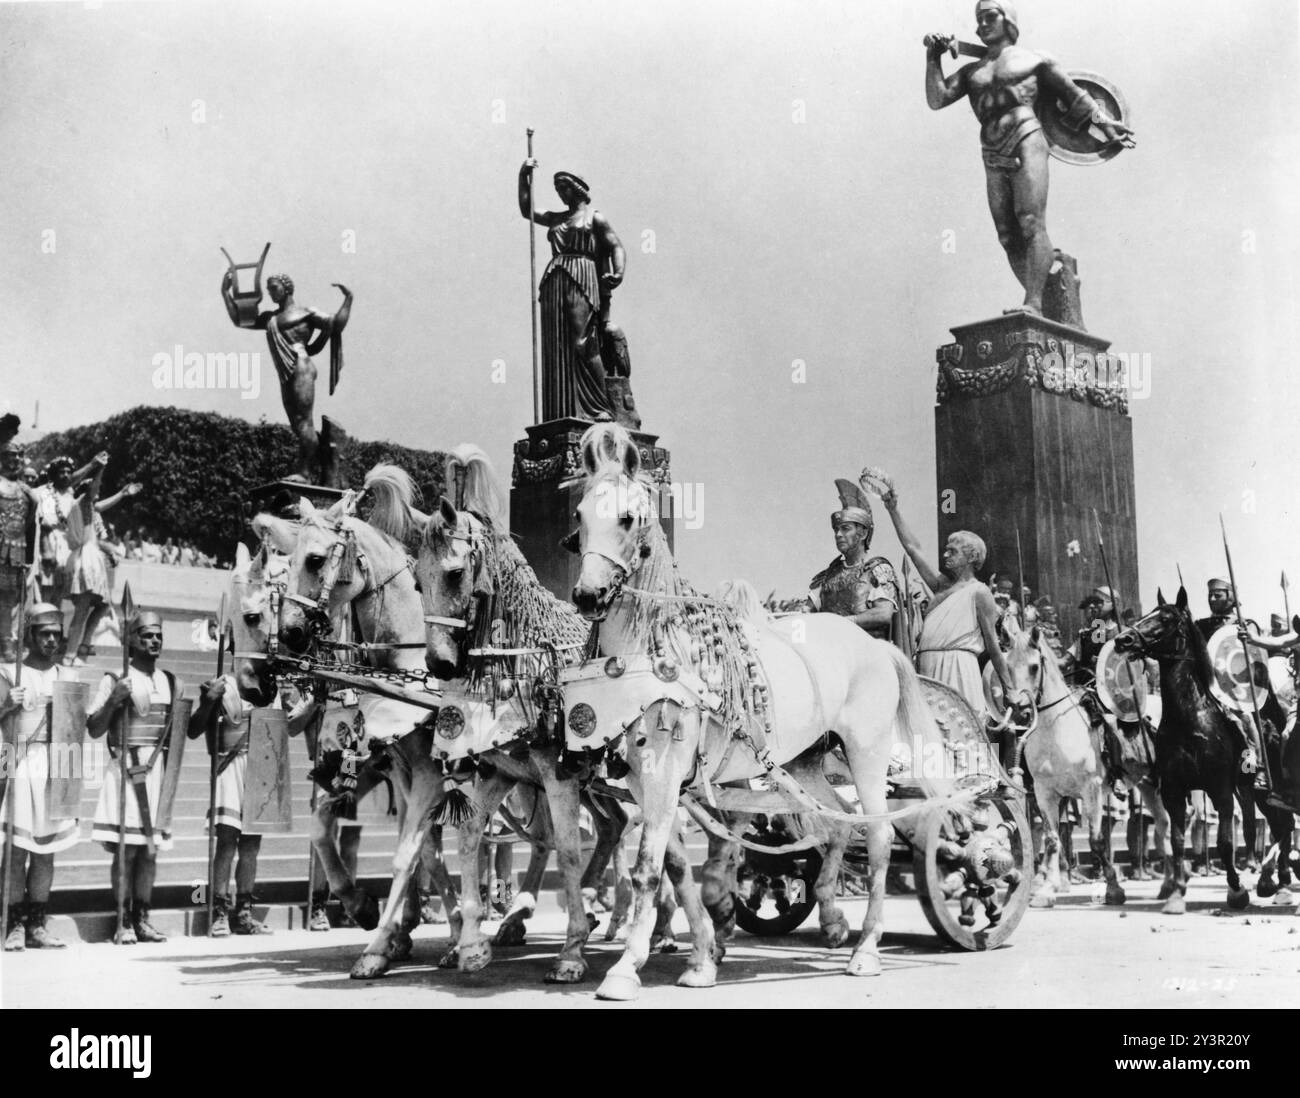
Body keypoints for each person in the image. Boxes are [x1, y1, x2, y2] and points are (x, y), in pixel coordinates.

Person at [923, 1, 1134, 314]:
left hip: (1026, 137)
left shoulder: (1035, 59)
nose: (982, 24)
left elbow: (1075, 96)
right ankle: (1047, 298)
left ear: (1008, 19)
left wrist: (1106, 124)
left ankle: (1033, 302)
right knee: (1007, 234)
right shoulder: (971, 71)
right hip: (990, 147)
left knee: (1031, 220)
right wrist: (933, 58)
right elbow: (937, 99)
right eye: (978, 19)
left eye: (990, 16)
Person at [870, 470, 1013, 722]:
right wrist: (893, 509)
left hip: (958, 668)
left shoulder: (980, 592)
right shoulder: (940, 586)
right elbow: (912, 549)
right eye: (946, 550)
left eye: (952, 551)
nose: (945, 555)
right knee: (924, 736)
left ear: (971, 557)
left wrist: (1009, 688)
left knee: (961, 734)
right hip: (926, 666)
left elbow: (993, 647)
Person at [86, 610, 183, 944]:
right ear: (130, 640)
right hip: (125, 769)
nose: (153, 641)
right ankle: (123, 919)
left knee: (151, 852)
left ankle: (143, 917)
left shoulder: (170, 681)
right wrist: (114, 701)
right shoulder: (114, 678)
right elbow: (95, 728)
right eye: (146, 635)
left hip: (156, 772)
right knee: (127, 851)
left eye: (158, 635)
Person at [519, 158, 628, 424]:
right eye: (556, 188)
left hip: (582, 275)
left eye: (562, 187)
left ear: (577, 188)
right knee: (557, 345)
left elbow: (616, 246)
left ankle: (601, 406)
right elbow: (527, 210)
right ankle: (562, 411)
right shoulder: (557, 218)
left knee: (583, 341)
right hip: (555, 279)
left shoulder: (595, 218)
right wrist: (523, 175)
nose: (559, 192)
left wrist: (618, 271)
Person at [1, 604, 80, 950]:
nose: (50, 640)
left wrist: (72, 780)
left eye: (55, 634)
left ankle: (37, 923)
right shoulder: (8, 672)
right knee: (16, 851)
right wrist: (5, 704)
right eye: (43, 633)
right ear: (30, 635)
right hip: (18, 760)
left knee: (47, 851)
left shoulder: (68, 675)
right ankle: (13, 923)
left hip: (57, 762)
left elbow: (78, 728)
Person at [224, 271, 352, 481]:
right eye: (268, 290)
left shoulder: (306, 313)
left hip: (301, 367)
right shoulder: (269, 318)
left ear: (286, 287)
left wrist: (348, 298)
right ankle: (329, 459)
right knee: (297, 425)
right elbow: (240, 320)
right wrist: (225, 293)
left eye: (274, 288)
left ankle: (305, 472)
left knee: (303, 422)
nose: (270, 293)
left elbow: (336, 324)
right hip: (286, 372)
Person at [187, 675, 272, 937]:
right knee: (226, 841)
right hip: (228, 766)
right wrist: (210, 700)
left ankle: (244, 912)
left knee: (251, 846)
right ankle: (219, 911)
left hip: (259, 768)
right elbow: (193, 730)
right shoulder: (221, 682)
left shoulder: (271, 685)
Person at [64, 466, 142, 665]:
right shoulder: (79, 505)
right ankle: (70, 653)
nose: (97, 494)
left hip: (90, 560)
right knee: (82, 609)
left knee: (102, 605)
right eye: (94, 491)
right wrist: (101, 467)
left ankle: (83, 644)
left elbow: (101, 504)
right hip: (84, 561)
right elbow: (94, 492)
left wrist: (122, 494)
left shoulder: (89, 509)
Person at [808, 479, 900, 642]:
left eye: (845, 529)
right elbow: (805, 611)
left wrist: (845, 622)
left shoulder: (878, 569)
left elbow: (883, 614)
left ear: (863, 534)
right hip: (832, 650)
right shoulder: (828, 575)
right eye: (836, 529)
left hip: (869, 653)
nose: (838, 534)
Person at [1195, 578, 1267, 783]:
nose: (1212, 599)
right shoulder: (1201, 625)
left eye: (1217, 595)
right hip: (1205, 684)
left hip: (1233, 687)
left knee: (1245, 718)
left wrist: (1247, 637)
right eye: (1210, 595)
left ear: (1230, 596)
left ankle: (1258, 765)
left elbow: (1252, 657)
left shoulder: (1245, 624)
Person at [0, 436, 38, 663]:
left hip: (15, 552)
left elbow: (31, 526)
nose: (13, 460)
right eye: (8, 455)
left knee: (9, 601)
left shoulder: (29, 494)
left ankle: (5, 644)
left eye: (17, 456)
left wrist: (29, 559)